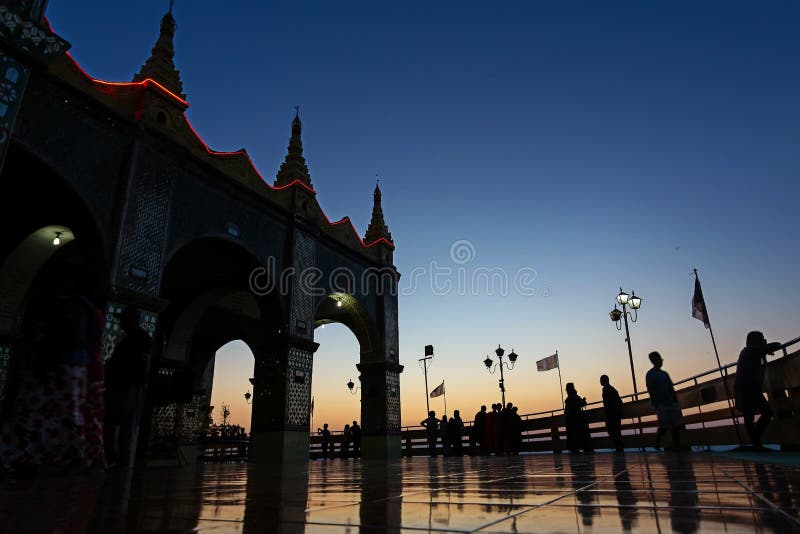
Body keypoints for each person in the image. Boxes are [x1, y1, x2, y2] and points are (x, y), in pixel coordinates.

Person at [0, 280, 102, 472]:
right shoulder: (90, 311)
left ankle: (24, 456)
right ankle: (75, 457)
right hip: (79, 367)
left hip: (57, 364)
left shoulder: (67, 307)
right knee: (70, 414)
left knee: (34, 411)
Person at [104, 307, 152, 467]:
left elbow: (138, 364)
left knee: (124, 424)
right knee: (122, 424)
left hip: (128, 386)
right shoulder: (132, 338)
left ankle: (120, 460)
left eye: (123, 319)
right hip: (125, 386)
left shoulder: (140, 338)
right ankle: (118, 460)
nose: (121, 323)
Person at [735, 331, 782, 448]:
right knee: (759, 414)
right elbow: (776, 345)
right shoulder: (750, 351)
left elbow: (763, 351)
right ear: (756, 341)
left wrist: (765, 350)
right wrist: (766, 348)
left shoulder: (750, 351)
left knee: (753, 415)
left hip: (751, 389)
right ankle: (756, 442)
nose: (764, 341)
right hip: (747, 389)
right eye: (762, 339)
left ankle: (755, 442)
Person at [645, 351, 682, 451]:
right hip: (660, 404)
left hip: (670, 403)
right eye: (658, 359)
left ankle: (676, 446)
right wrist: (656, 403)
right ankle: (657, 442)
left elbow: (671, 388)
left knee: (675, 425)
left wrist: (675, 402)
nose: (661, 361)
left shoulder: (664, 374)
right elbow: (651, 390)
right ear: (653, 361)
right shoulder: (650, 374)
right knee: (664, 425)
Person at [564, 383, 592, 453]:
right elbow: (583, 403)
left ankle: (574, 448)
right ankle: (586, 448)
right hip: (578, 419)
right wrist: (583, 401)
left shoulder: (568, 399)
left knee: (573, 435)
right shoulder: (575, 397)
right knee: (582, 434)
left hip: (571, 420)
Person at [600, 375, 624, 452]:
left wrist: (607, 413)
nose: (600, 382)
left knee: (612, 431)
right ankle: (619, 447)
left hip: (611, 414)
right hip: (616, 414)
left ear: (604, 381)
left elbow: (607, 404)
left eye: (601, 380)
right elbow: (619, 402)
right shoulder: (612, 389)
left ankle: (618, 447)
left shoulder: (606, 389)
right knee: (616, 431)